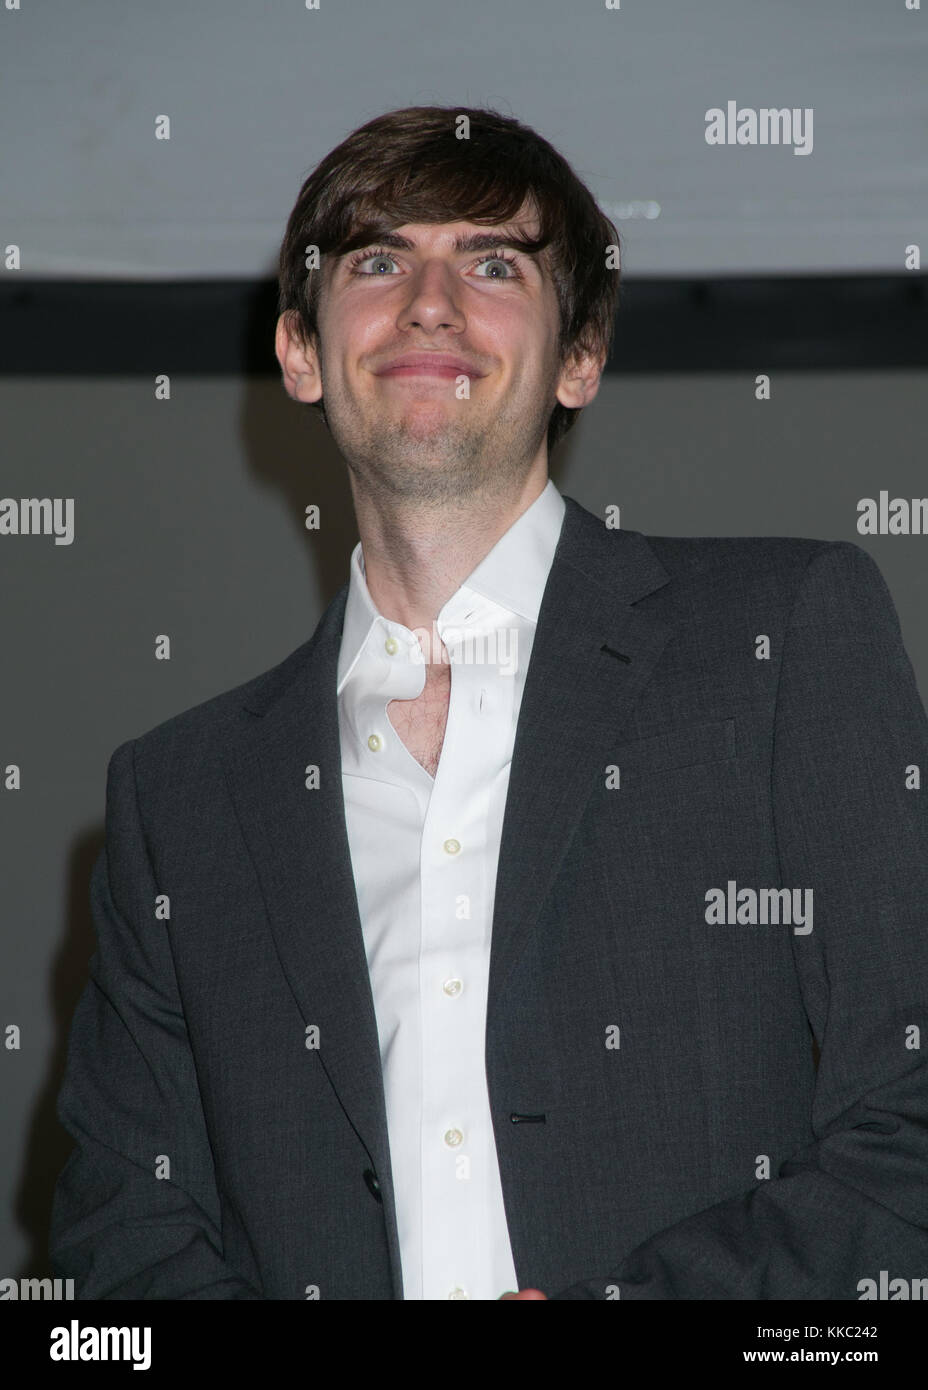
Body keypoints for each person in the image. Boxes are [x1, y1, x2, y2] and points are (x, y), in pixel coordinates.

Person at [50, 105, 928, 1301]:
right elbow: (122, 1250)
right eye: (376, 260)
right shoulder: (176, 796)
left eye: (494, 263)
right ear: (302, 354)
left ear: (579, 358)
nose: (428, 300)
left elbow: (910, 1125)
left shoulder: (783, 637)